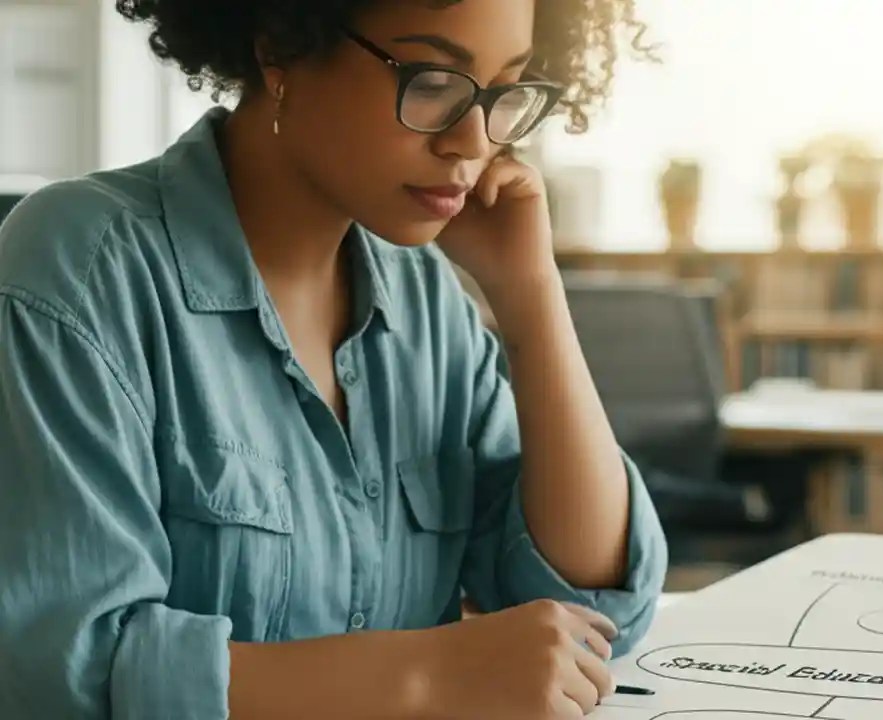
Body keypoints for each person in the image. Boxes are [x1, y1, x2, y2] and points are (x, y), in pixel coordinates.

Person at [0, 0, 667, 717]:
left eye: (506, 91)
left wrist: (531, 297)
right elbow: (59, 669)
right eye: (435, 81)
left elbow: (592, 610)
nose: (472, 143)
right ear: (281, 41)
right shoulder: (79, 266)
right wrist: (427, 676)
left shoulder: (424, 299)